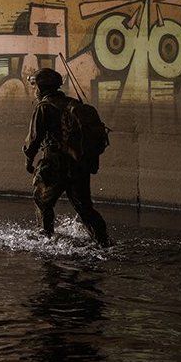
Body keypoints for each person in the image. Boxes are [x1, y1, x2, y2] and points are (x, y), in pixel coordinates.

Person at [23, 68, 109, 245]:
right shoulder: (73, 104)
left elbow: (33, 139)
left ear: (41, 87)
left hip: (54, 164)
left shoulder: (44, 107)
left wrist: (29, 161)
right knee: (84, 207)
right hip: (79, 164)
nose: (34, 90)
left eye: (35, 86)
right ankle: (103, 242)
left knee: (42, 201)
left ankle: (45, 239)